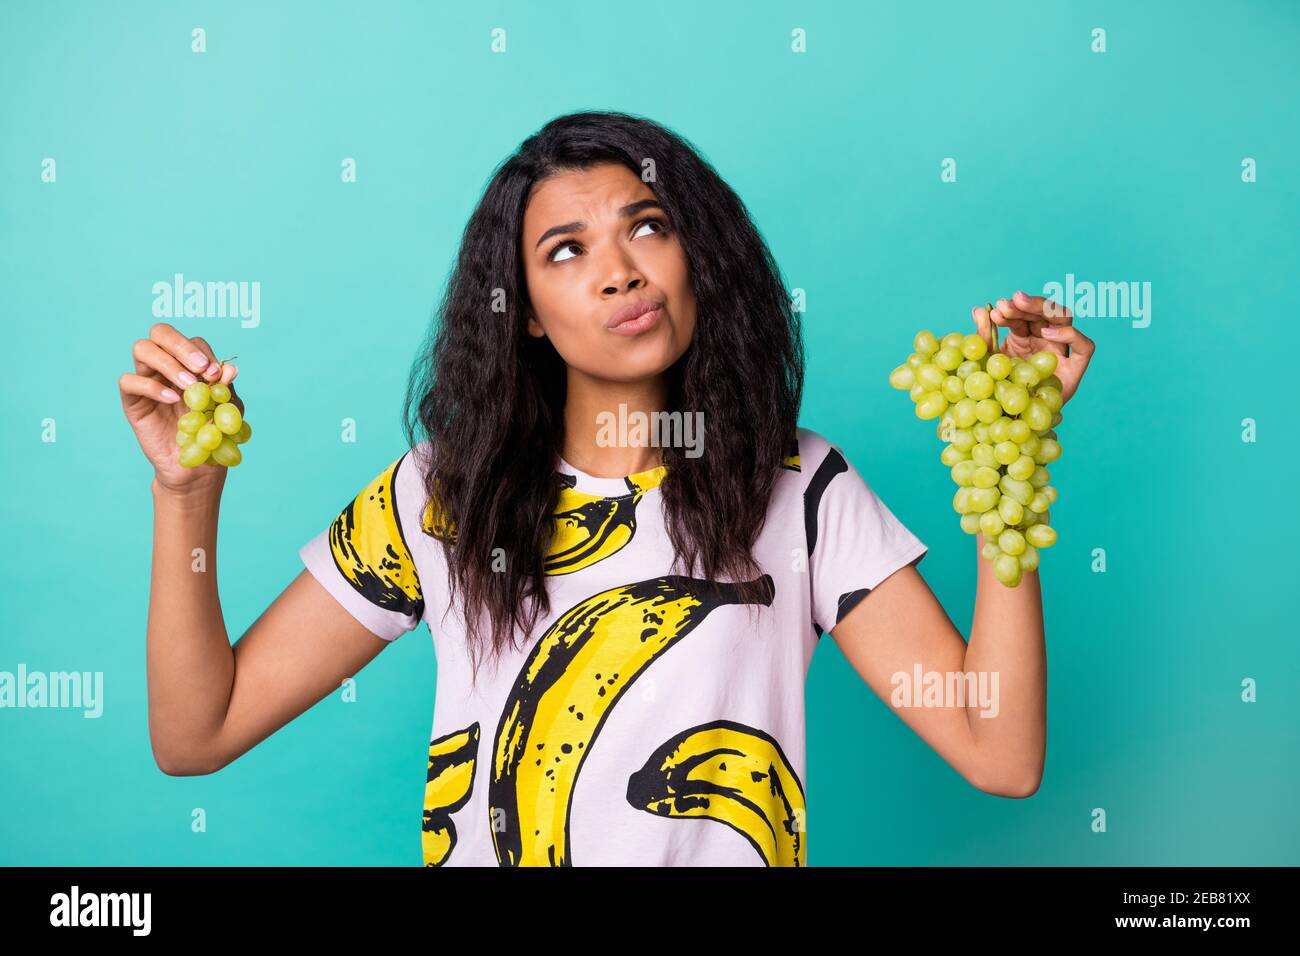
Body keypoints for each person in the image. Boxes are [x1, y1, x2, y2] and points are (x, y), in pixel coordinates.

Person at [119, 110, 1095, 867]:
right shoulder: (442, 493)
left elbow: (997, 751)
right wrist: (185, 496)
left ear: (695, 258)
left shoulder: (798, 487)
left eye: (648, 227)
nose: (619, 271)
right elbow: (197, 732)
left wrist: (1011, 471)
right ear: (528, 315)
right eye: (566, 249)